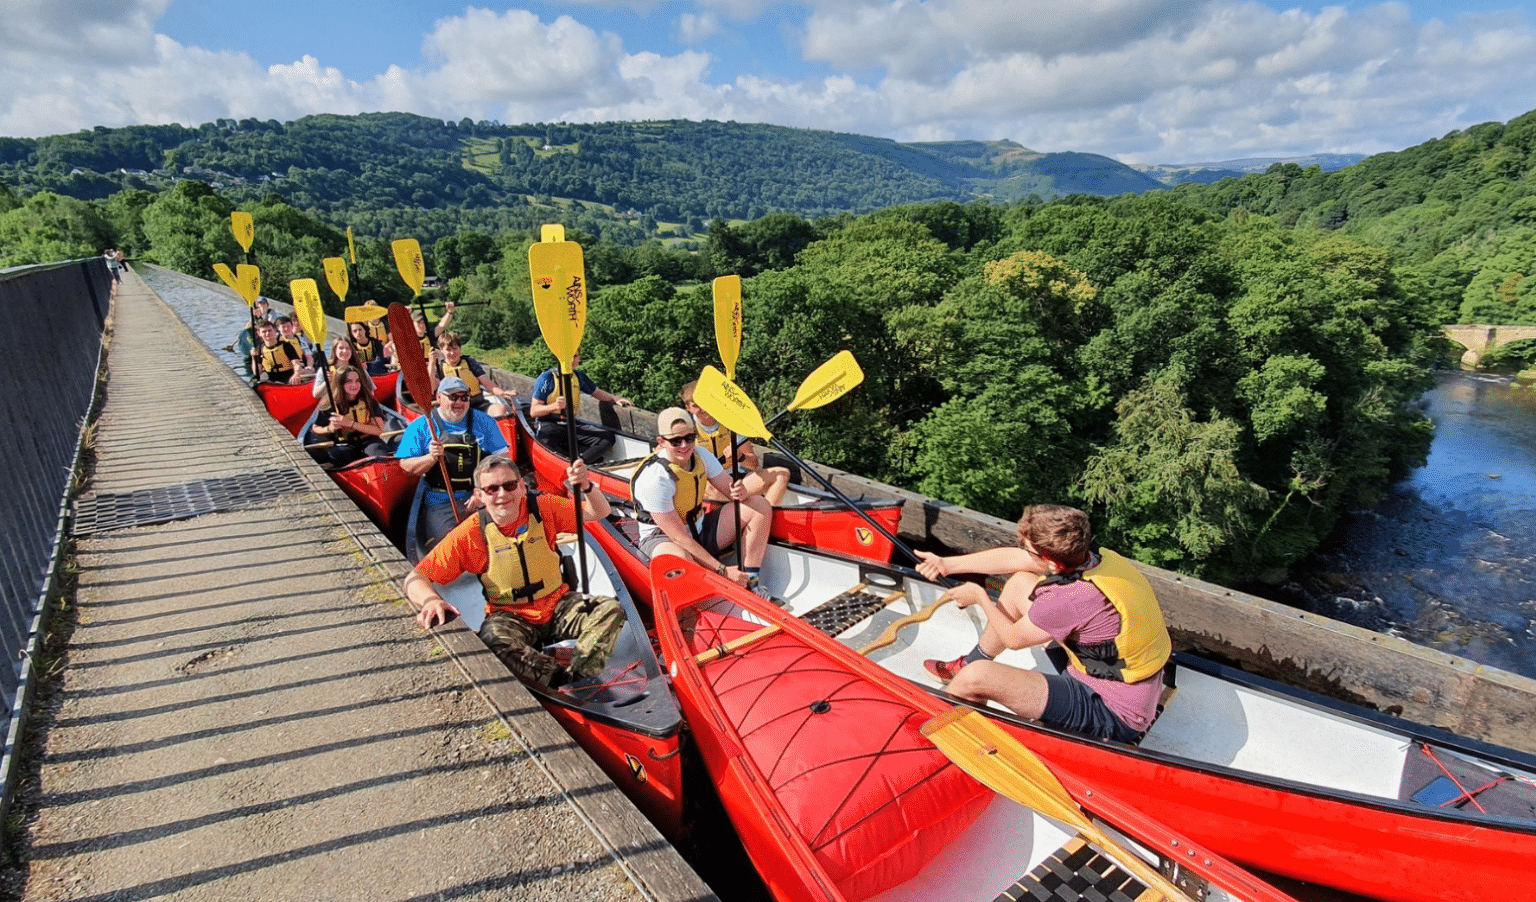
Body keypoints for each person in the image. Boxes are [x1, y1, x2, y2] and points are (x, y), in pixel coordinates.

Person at [916, 504, 1172, 744]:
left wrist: (980, 596)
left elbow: (1013, 639)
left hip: (1112, 713)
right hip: (1114, 678)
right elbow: (1018, 560)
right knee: (1018, 584)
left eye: (1028, 548)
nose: (1023, 551)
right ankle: (968, 661)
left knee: (975, 678)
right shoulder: (1093, 557)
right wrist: (947, 564)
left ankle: (947, 744)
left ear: (1052, 563)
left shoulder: (1070, 599)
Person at [406, 454, 620, 687]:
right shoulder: (472, 533)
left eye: (509, 486)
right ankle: (559, 679)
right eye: (491, 489)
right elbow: (417, 577)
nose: (502, 495)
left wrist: (587, 486)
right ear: (479, 495)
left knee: (609, 610)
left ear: (521, 487)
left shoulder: (544, 508)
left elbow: (598, 512)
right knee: (493, 640)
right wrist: (429, 601)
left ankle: (581, 677)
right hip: (510, 614)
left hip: (558, 604)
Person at [631, 407, 776, 602]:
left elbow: (729, 490)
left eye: (690, 438)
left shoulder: (700, 455)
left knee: (759, 505)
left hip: (698, 528)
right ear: (661, 442)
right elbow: (678, 537)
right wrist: (722, 570)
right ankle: (707, 592)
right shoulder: (656, 478)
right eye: (676, 441)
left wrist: (740, 491)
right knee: (682, 559)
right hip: (665, 539)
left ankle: (750, 580)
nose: (684, 445)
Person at [396, 376, 510, 548]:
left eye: (464, 397)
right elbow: (406, 467)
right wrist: (431, 457)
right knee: (452, 547)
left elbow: (504, 461)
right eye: (453, 397)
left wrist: (482, 492)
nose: (459, 402)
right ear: (439, 397)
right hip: (441, 501)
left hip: (483, 498)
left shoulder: (485, 421)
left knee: (500, 542)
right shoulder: (421, 426)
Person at [680, 379, 792, 506]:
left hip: (734, 479)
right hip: (705, 483)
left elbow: (753, 464)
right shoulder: (685, 427)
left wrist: (740, 456)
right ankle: (750, 511)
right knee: (712, 489)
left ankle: (765, 517)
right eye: (696, 405)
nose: (703, 409)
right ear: (688, 408)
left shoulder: (730, 422)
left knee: (782, 474)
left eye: (705, 402)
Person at [529, 352, 632, 464]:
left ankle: (581, 463)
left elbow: (596, 392)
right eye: (572, 356)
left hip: (569, 422)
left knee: (607, 438)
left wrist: (614, 398)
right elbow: (534, 411)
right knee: (546, 443)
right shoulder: (547, 378)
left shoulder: (578, 376)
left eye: (576, 356)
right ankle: (569, 461)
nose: (576, 360)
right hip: (549, 423)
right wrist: (554, 406)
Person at [306, 366, 390, 467]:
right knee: (339, 456)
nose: (354, 385)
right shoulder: (329, 403)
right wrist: (329, 428)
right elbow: (315, 428)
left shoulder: (369, 400)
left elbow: (378, 430)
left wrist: (350, 424)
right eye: (349, 381)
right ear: (340, 384)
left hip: (368, 440)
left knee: (380, 457)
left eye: (357, 381)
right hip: (343, 443)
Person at [431, 331, 514, 418]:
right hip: (455, 407)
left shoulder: (470, 362)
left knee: (500, 409)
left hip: (477, 403)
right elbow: (432, 388)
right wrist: (431, 364)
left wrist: (503, 393)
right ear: (441, 350)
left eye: (455, 348)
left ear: (460, 348)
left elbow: (488, 384)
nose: (452, 353)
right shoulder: (439, 368)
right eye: (448, 350)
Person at [251, 320, 305, 385]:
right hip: (271, 378)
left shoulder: (286, 346)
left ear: (274, 331)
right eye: (264, 332)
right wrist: (254, 357)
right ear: (259, 333)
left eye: (269, 330)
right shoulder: (259, 349)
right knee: (254, 383)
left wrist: (296, 374)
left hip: (288, 376)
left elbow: (296, 364)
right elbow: (256, 372)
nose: (267, 334)